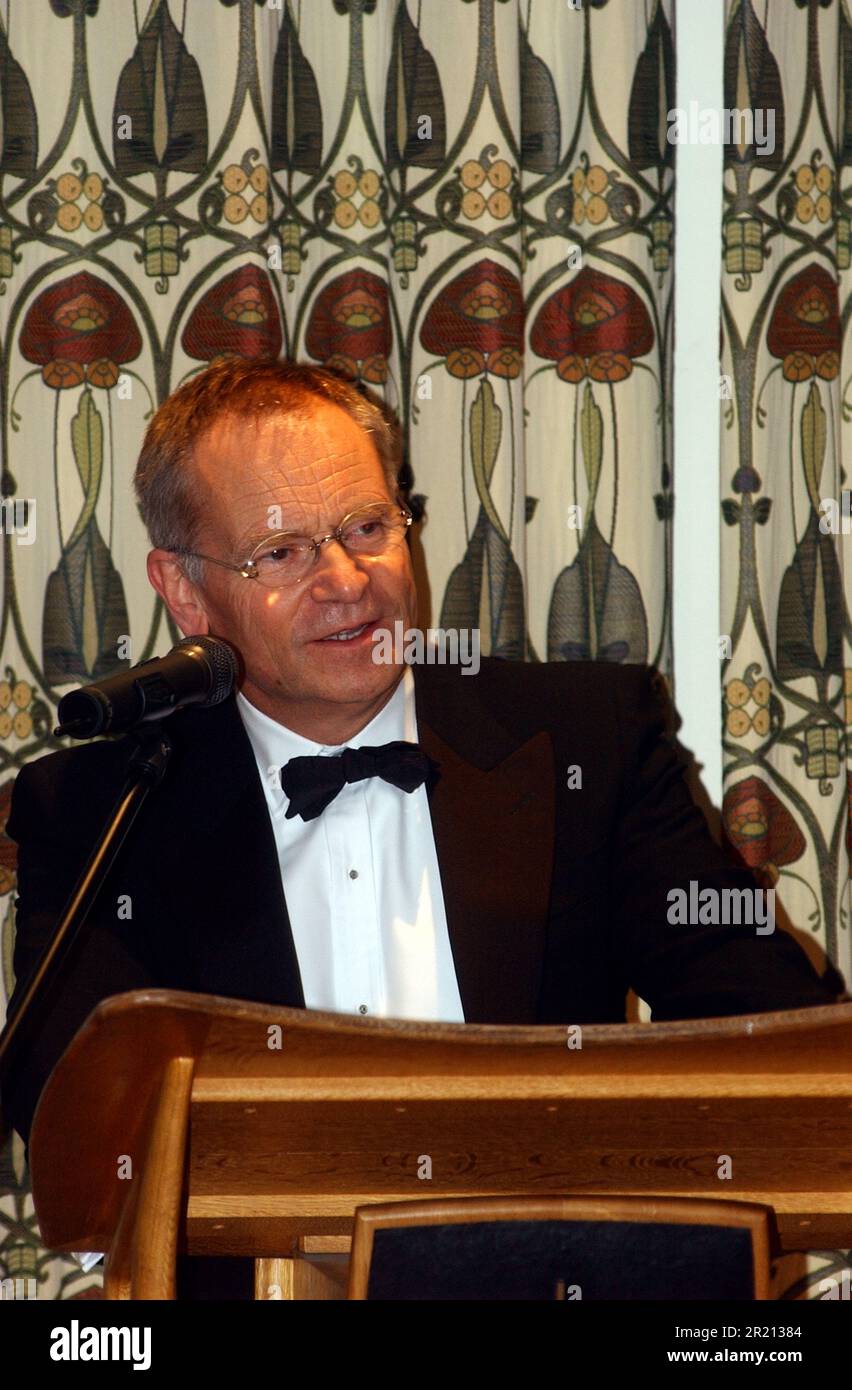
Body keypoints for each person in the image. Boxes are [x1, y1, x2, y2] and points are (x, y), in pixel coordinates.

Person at [1, 356, 846, 1299]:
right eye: (281, 553)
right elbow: (77, 1135)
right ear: (186, 590)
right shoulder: (108, 804)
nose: (347, 581)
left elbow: (773, 1029)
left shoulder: (587, 741)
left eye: (368, 527)